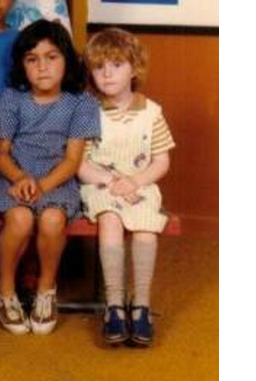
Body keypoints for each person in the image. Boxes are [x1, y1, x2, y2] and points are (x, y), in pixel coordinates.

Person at [0, 20, 101, 336]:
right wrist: (20, 178)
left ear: (67, 60)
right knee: (21, 219)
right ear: (21, 65)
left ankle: (46, 288)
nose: (42, 67)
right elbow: (0, 153)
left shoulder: (81, 103)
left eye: (52, 57)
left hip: (57, 176)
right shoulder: (12, 98)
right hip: (13, 174)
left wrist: (41, 186)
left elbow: (72, 160)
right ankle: (5, 289)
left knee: (52, 220)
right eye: (32, 59)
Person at [77, 28, 175, 347]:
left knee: (146, 228)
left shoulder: (151, 113)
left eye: (117, 65)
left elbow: (161, 162)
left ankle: (141, 305)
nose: (107, 73)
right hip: (101, 184)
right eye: (99, 66)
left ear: (134, 69)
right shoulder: (88, 111)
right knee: (110, 220)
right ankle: (115, 305)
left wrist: (134, 181)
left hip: (139, 184)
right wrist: (111, 181)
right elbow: (80, 164)